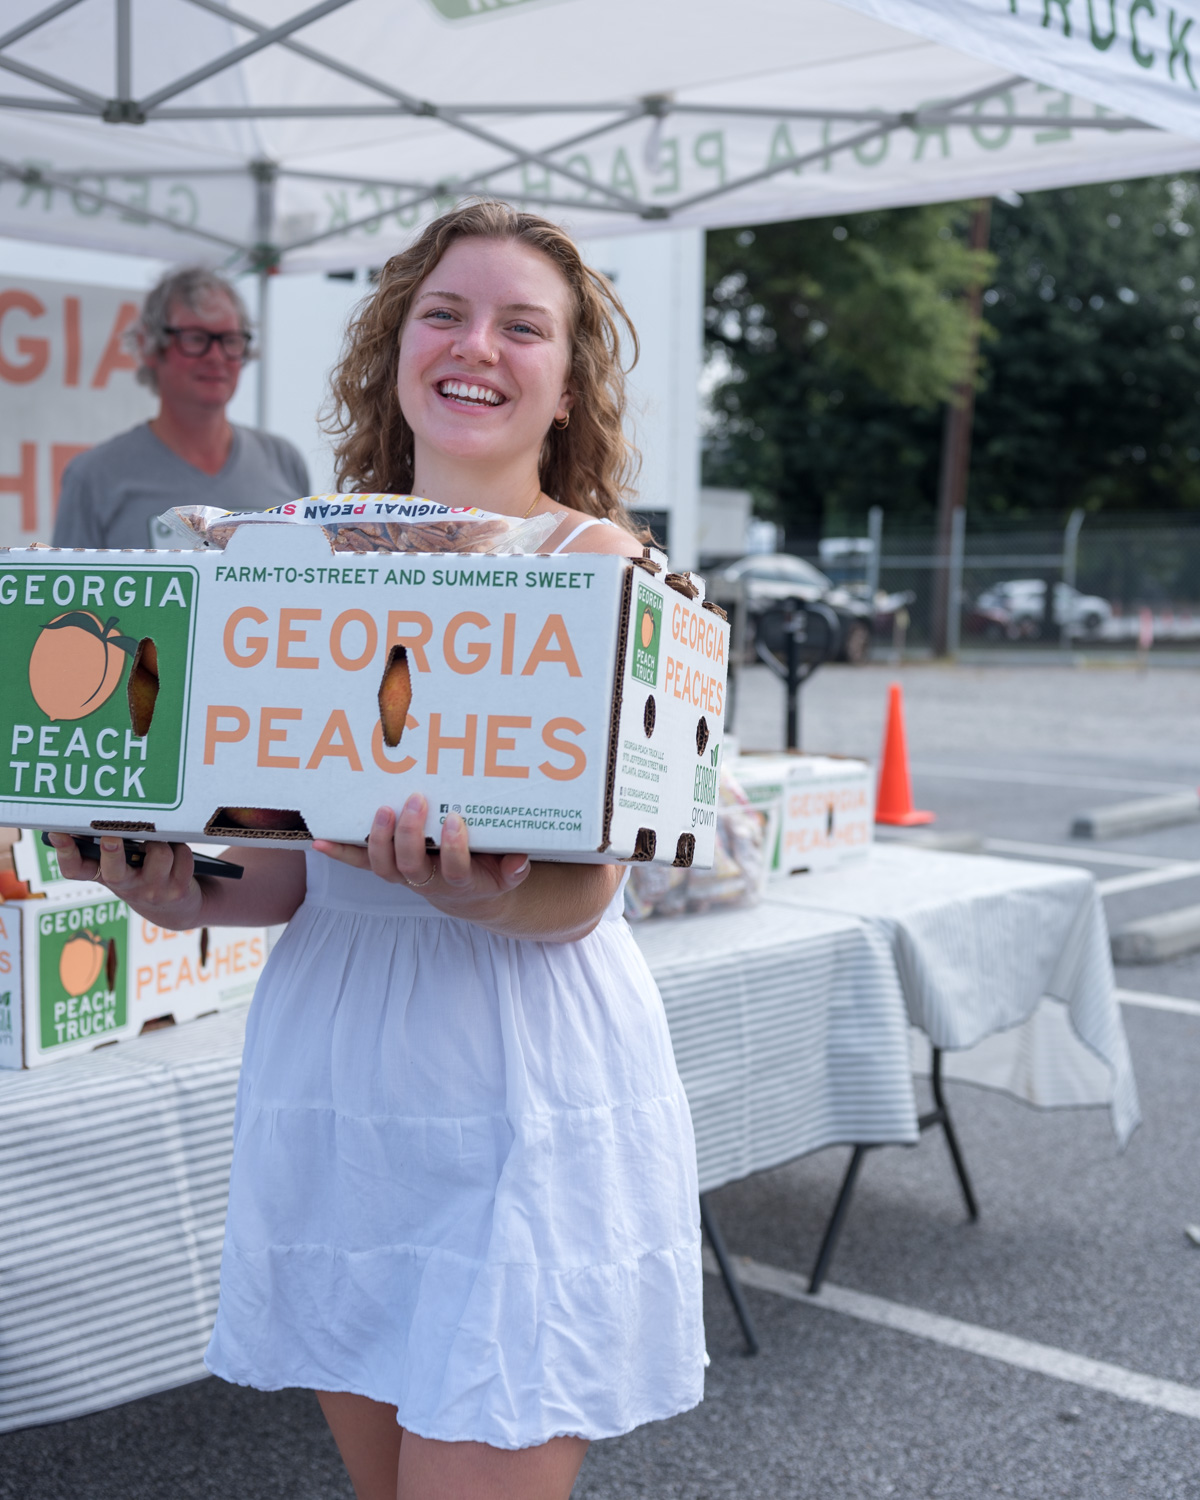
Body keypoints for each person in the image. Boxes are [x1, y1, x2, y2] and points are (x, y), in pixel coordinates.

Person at [49, 201, 705, 1500]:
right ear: (394, 347)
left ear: (568, 387)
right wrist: (182, 893)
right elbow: (295, 863)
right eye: (444, 313)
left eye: (526, 326)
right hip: (346, 1069)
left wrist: (478, 897)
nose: (478, 346)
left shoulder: (601, 568)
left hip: (516, 1076)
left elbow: (582, 894)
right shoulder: (305, 554)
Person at [52, 266, 309, 549]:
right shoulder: (94, 477)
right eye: (195, 339)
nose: (215, 356)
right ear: (149, 346)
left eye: (229, 340)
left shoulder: (284, 462)